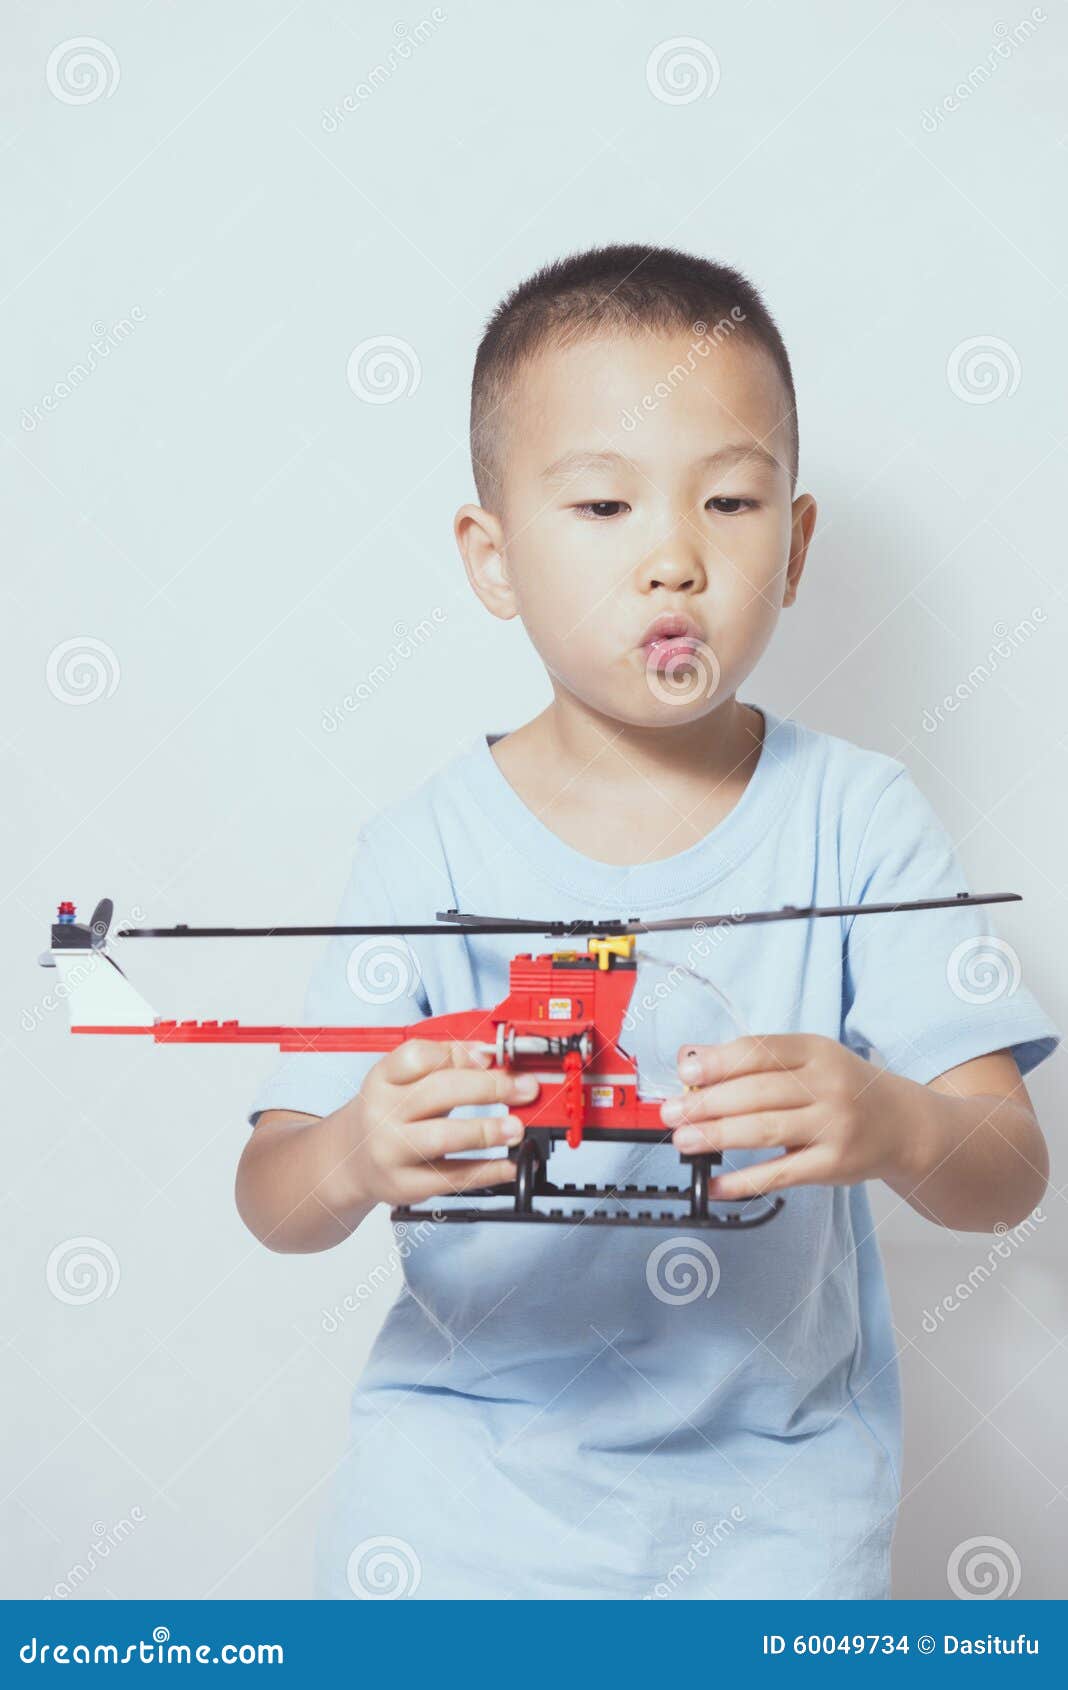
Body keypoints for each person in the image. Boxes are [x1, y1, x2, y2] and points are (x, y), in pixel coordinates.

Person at [236, 244, 1059, 1600]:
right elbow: (273, 1193)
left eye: (729, 501)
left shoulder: (861, 818)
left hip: (780, 1533)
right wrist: (352, 1150)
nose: (674, 559)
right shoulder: (421, 847)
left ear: (795, 546)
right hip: (453, 1525)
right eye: (605, 504)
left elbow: (1010, 1167)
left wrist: (899, 1122)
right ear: (493, 558)